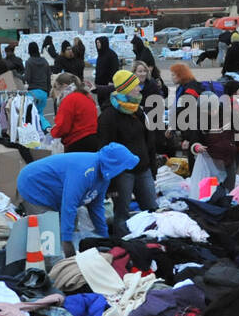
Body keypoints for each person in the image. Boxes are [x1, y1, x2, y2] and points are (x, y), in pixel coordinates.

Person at [15, 143, 137, 257]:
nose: (122, 172)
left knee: (70, 224)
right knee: (49, 233)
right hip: (33, 184)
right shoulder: (85, 171)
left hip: (54, 190)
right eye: (122, 167)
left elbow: (96, 207)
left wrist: (104, 238)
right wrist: (66, 240)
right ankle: (53, 269)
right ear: (113, 164)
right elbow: (69, 205)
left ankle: (67, 257)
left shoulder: (104, 177)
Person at [97, 70, 157, 235]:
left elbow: (149, 141)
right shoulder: (108, 116)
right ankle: (123, 245)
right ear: (125, 89)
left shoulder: (137, 110)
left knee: (152, 210)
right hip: (122, 174)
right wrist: (111, 183)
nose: (139, 89)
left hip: (143, 169)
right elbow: (104, 149)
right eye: (135, 86)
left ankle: (153, 243)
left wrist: (153, 167)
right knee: (122, 213)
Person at [50, 73, 100, 153]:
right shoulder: (86, 96)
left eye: (56, 88)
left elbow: (63, 127)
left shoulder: (69, 99)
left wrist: (52, 132)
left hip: (77, 141)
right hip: (93, 138)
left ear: (64, 86)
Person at [169, 62, 205, 155]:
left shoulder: (189, 88)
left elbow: (186, 114)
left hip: (194, 133)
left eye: (173, 75)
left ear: (180, 75)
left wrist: (187, 138)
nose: (171, 77)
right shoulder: (183, 87)